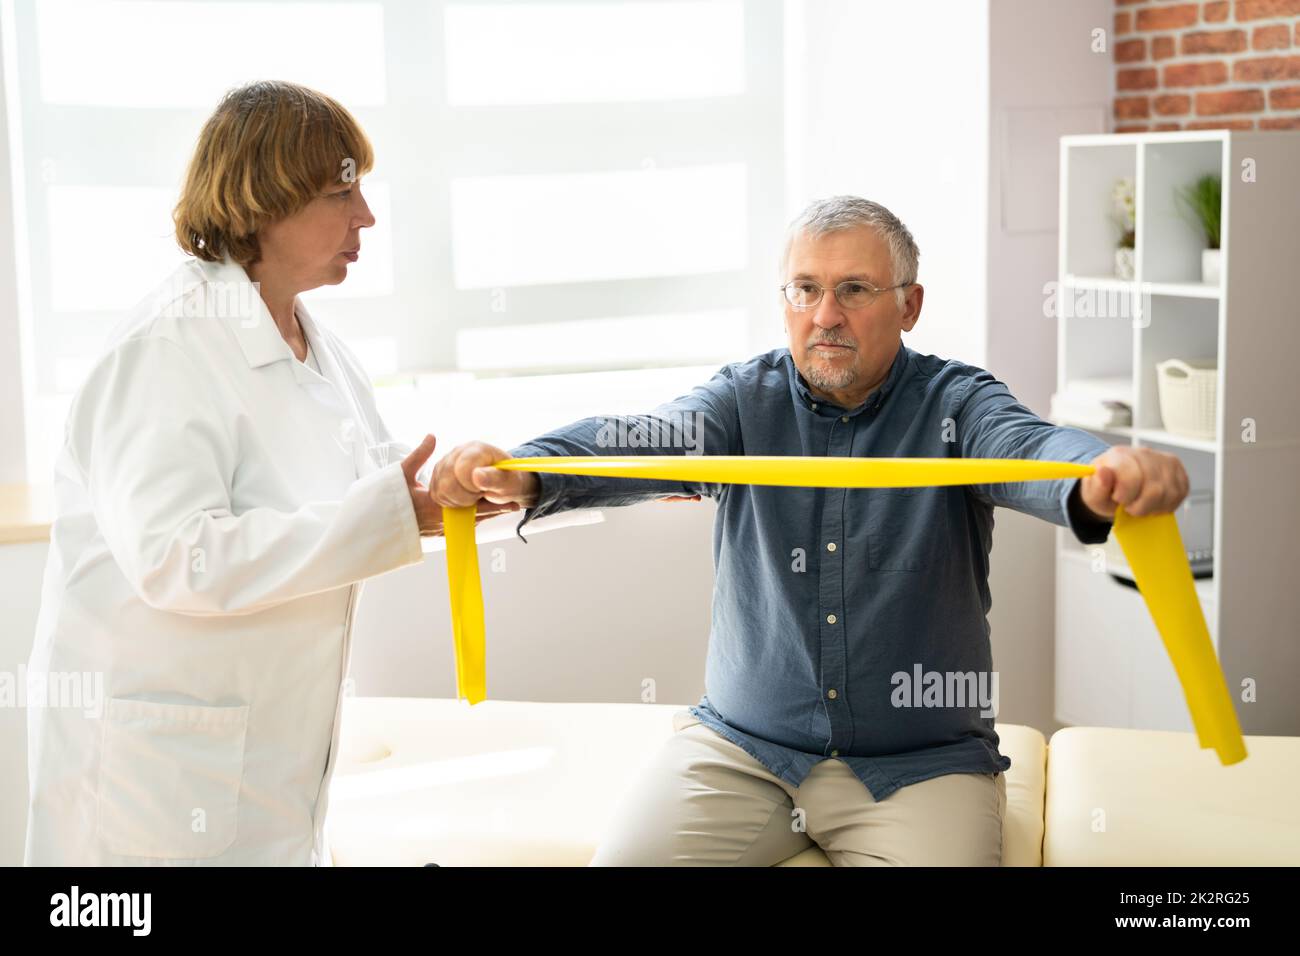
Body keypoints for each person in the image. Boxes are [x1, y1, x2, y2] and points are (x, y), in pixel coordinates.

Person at [428, 195, 1189, 866]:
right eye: (805, 289)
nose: (825, 315)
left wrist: (1104, 476)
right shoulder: (738, 404)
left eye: (854, 290)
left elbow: (1031, 448)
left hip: (920, 766)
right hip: (741, 752)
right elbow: (642, 436)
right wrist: (527, 468)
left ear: (909, 305)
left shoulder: (958, 403)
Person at [24, 80, 513, 866]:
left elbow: (353, 481)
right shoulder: (165, 350)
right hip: (157, 777)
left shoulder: (312, 343)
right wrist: (393, 510)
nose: (366, 218)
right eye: (339, 193)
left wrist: (438, 490)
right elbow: (177, 558)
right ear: (261, 202)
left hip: (266, 763)